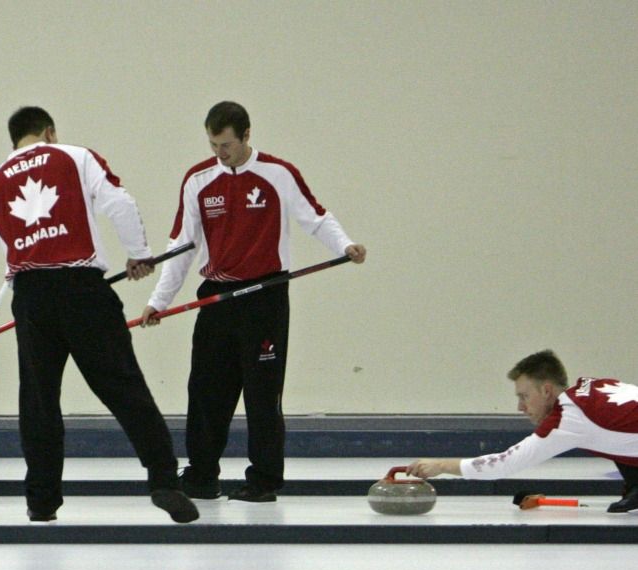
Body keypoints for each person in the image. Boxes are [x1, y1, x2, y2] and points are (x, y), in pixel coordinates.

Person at [0, 106, 198, 523]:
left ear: (14, 139)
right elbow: (120, 203)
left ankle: (41, 501)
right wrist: (138, 253)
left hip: (31, 298)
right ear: (49, 131)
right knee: (125, 388)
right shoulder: (76, 156)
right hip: (83, 290)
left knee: (39, 402)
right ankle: (164, 480)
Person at [140, 101, 367, 502]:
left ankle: (263, 480)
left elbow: (315, 218)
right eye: (213, 145)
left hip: (265, 298)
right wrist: (158, 301)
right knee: (206, 392)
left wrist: (344, 245)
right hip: (216, 298)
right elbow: (181, 246)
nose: (220, 153)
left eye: (226, 145)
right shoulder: (198, 180)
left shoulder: (278, 173)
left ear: (246, 135)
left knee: (262, 395)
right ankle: (202, 476)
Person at [406, 349, 638, 513]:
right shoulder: (594, 386)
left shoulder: (568, 420)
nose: (520, 407)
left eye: (524, 396)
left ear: (546, 390)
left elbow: (505, 463)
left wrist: (441, 465)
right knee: (609, 435)